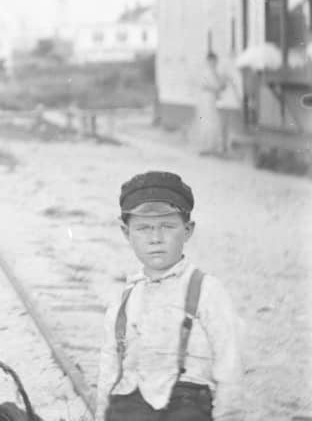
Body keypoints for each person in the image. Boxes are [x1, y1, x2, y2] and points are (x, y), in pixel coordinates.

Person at [96, 171, 243, 421]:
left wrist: (227, 416)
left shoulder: (207, 290)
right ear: (126, 232)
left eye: (168, 226)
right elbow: (109, 366)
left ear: (187, 230)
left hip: (186, 403)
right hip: (131, 404)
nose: (155, 238)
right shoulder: (125, 297)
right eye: (143, 228)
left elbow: (229, 365)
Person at [195, 52, 228, 156]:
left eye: (215, 61)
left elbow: (219, 87)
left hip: (212, 99)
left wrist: (222, 83)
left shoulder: (214, 72)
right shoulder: (206, 72)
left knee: (213, 122)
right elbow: (215, 86)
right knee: (208, 122)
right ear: (208, 61)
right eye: (212, 61)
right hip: (206, 100)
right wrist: (222, 83)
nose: (214, 63)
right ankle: (206, 147)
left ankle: (211, 146)